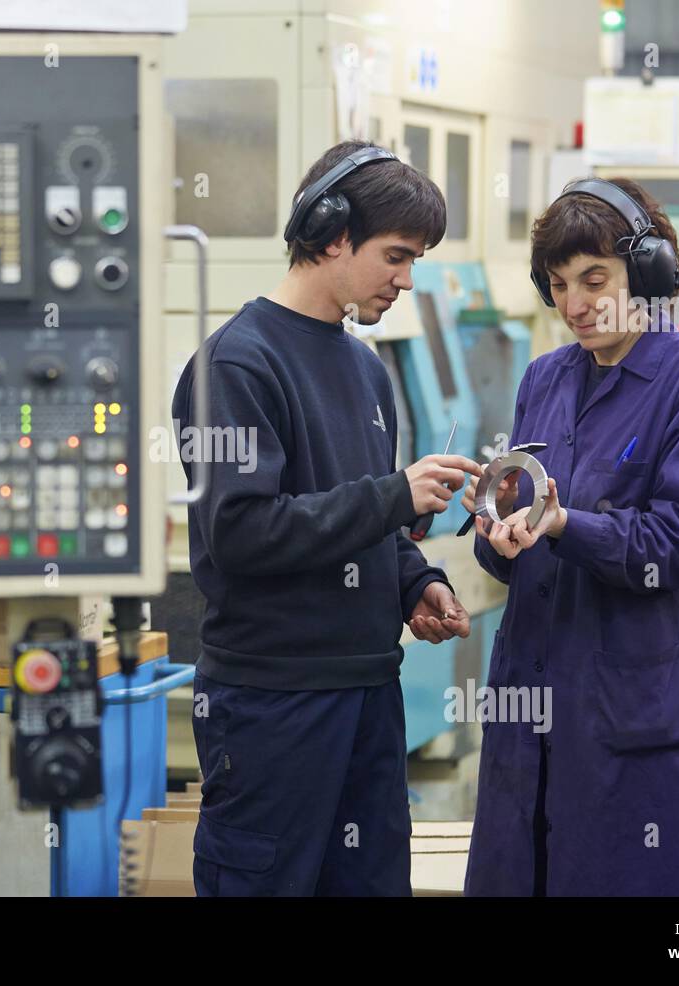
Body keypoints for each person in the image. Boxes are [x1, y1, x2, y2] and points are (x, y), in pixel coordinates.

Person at [171, 140, 483, 896]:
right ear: (332, 233)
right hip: (275, 708)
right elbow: (242, 533)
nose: (408, 281)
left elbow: (362, 510)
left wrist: (414, 580)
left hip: (369, 695)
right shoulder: (236, 367)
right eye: (396, 256)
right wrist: (395, 497)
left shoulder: (364, 367)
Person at [460, 177, 679, 896]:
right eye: (558, 285)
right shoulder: (544, 379)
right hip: (530, 698)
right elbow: (515, 539)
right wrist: (496, 530)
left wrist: (564, 523)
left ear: (647, 272)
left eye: (595, 279)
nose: (575, 304)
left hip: (634, 702)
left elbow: (676, 545)